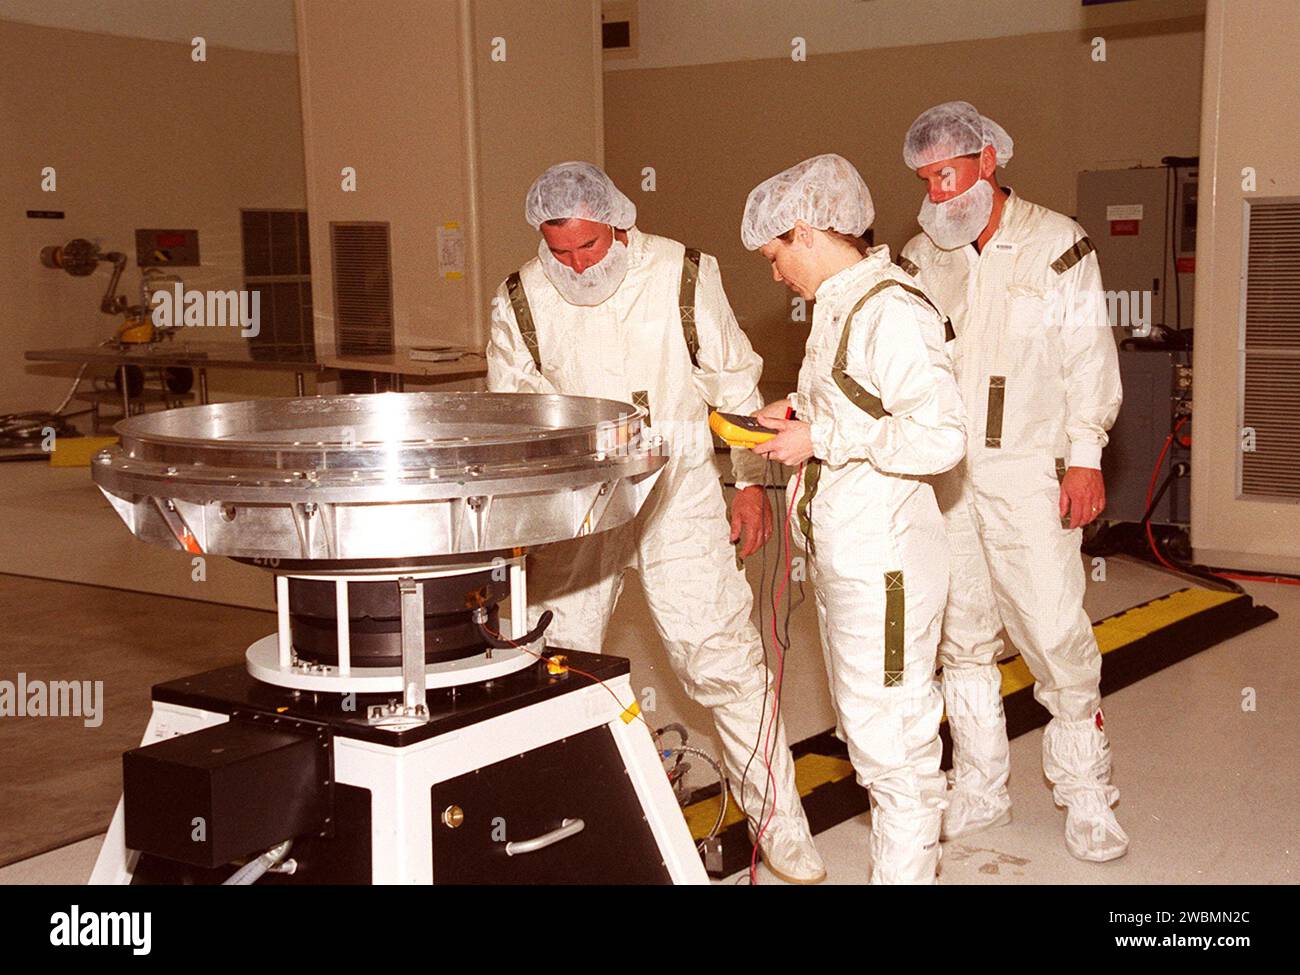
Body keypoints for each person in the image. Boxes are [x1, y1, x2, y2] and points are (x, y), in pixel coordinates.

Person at [485, 161, 824, 883]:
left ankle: (781, 828)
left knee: (726, 662)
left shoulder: (681, 273)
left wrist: (752, 485)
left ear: (620, 223)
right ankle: (554, 828)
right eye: (561, 250)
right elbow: (514, 416)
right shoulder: (521, 298)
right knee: (552, 665)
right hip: (579, 514)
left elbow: (733, 384)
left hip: (680, 495)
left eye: (590, 246)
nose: (576, 263)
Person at [898, 101, 1127, 861]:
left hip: (1029, 467)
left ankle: (1088, 792)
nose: (937, 192)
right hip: (949, 475)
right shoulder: (923, 254)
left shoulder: (1057, 245)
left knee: (1054, 628)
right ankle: (981, 787)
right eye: (927, 179)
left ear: (989, 160)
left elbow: (1087, 355)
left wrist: (1087, 453)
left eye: (949, 172)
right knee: (961, 636)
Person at [741, 154, 968, 883]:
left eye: (776, 256)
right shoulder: (841, 303)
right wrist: (801, 414)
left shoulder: (891, 309)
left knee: (894, 741)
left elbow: (940, 437)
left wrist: (825, 437)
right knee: (868, 731)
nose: (775, 275)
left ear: (805, 231)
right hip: (850, 558)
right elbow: (863, 406)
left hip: (889, 567)